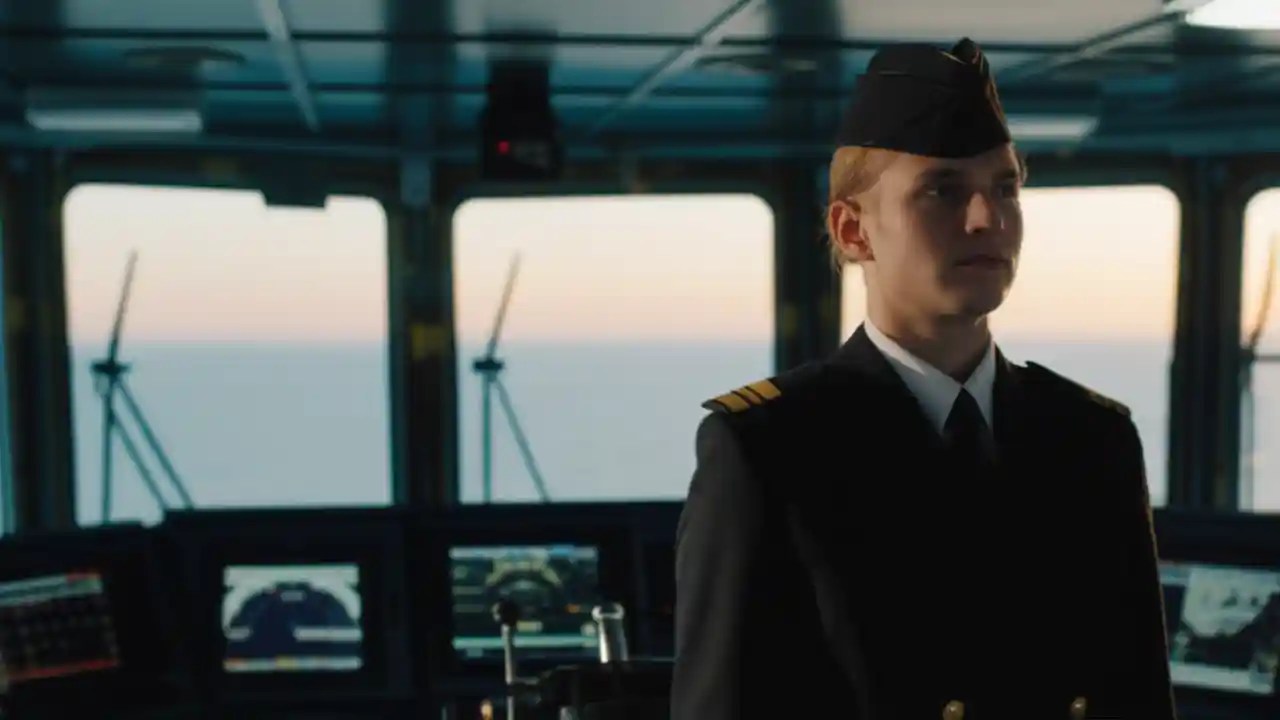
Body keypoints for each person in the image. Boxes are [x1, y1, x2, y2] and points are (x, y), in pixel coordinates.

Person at [671, 37, 1176, 720]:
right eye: (942, 190)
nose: (987, 219)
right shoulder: (771, 450)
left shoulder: (1092, 438)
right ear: (853, 233)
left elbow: (1138, 698)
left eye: (1004, 188)